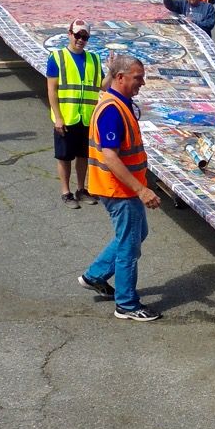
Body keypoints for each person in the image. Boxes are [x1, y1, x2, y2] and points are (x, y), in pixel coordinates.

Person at [80, 55, 162, 321]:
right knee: (129, 245)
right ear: (120, 78)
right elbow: (111, 156)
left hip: (119, 188)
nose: (143, 82)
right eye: (138, 78)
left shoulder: (114, 99)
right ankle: (126, 304)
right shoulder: (113, 110)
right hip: (119, 189)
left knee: (137, 233)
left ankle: (95, 275)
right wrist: (141, 189)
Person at [46, 19, 104, 208]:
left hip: (86, 117)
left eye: (84, 37)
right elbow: (52, 90)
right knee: (64, 157)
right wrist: (58, 117)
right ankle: (66, 192)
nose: (80, 39)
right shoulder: (57, 57)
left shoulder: (94, 59)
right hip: (66, 117)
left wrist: (111, 71)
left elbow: (102, 85)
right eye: (77, 35)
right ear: (69, 33)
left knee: (82, 156)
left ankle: (81, 189)